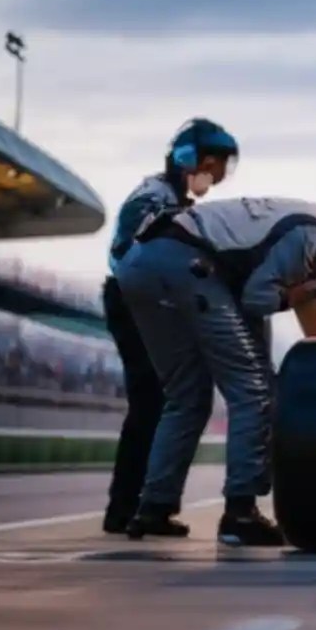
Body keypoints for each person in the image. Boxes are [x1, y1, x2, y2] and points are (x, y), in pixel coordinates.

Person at [115, 196, 316, 545]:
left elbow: (304, 314)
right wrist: (298, 294)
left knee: (187, 396)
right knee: (254, 389)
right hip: (189, 262)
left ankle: (154, 507)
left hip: (144, 262)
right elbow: (257, 299)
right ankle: (240, 513)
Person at [100, 118, 239, 534]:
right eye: (212, 165)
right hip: (134, 301)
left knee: (161, 402)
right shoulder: (153, 198)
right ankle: (126, 507)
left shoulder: (173, 200)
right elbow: (130, 256)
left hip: (147, 303)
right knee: (152, 402)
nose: (214, 176)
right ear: (189, 159)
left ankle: (140, 505)